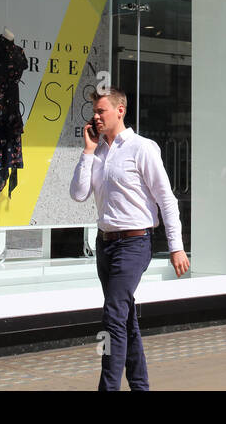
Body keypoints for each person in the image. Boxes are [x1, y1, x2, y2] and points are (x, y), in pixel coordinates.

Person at [69, 88, 189, 391]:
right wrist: (87, 152)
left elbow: (166, 199)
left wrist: (176, 247)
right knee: (124, 317)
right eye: (94, 112)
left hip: (134, 243)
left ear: (120, 111)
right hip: (105, 244)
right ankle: (140, 385)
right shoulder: (98, 151)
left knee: (112, 316)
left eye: (101, 111)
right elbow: (78, 194)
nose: (96, 117)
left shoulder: (142, 148)